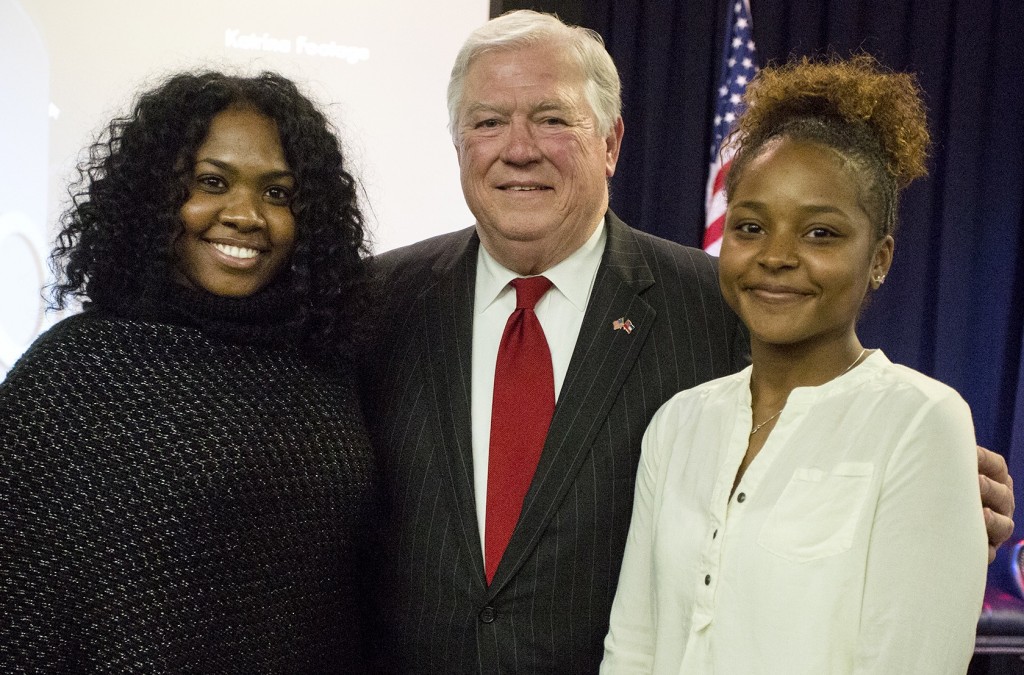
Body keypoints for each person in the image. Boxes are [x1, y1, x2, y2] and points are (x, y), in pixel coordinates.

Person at [361, 11, 1013, 673]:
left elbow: (841, 437)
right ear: (458, 143)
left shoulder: (722, 302)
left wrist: (946, 509)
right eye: (488, 120)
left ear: (611, 142)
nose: (519, 146)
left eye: (553, 118)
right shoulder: (376, 302)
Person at [601, 55, 988, 673]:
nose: (776, 256)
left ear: (880, 258)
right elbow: (634, 648)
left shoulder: (921, 422)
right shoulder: (678, 423)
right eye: (750, 226)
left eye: (821, 234)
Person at [0, 71, 376, 672]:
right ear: (155, 198)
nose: (246, 215)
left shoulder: (324, 372)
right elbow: (20, 618)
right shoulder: (74, 375)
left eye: (278, 194)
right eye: (211, 182)